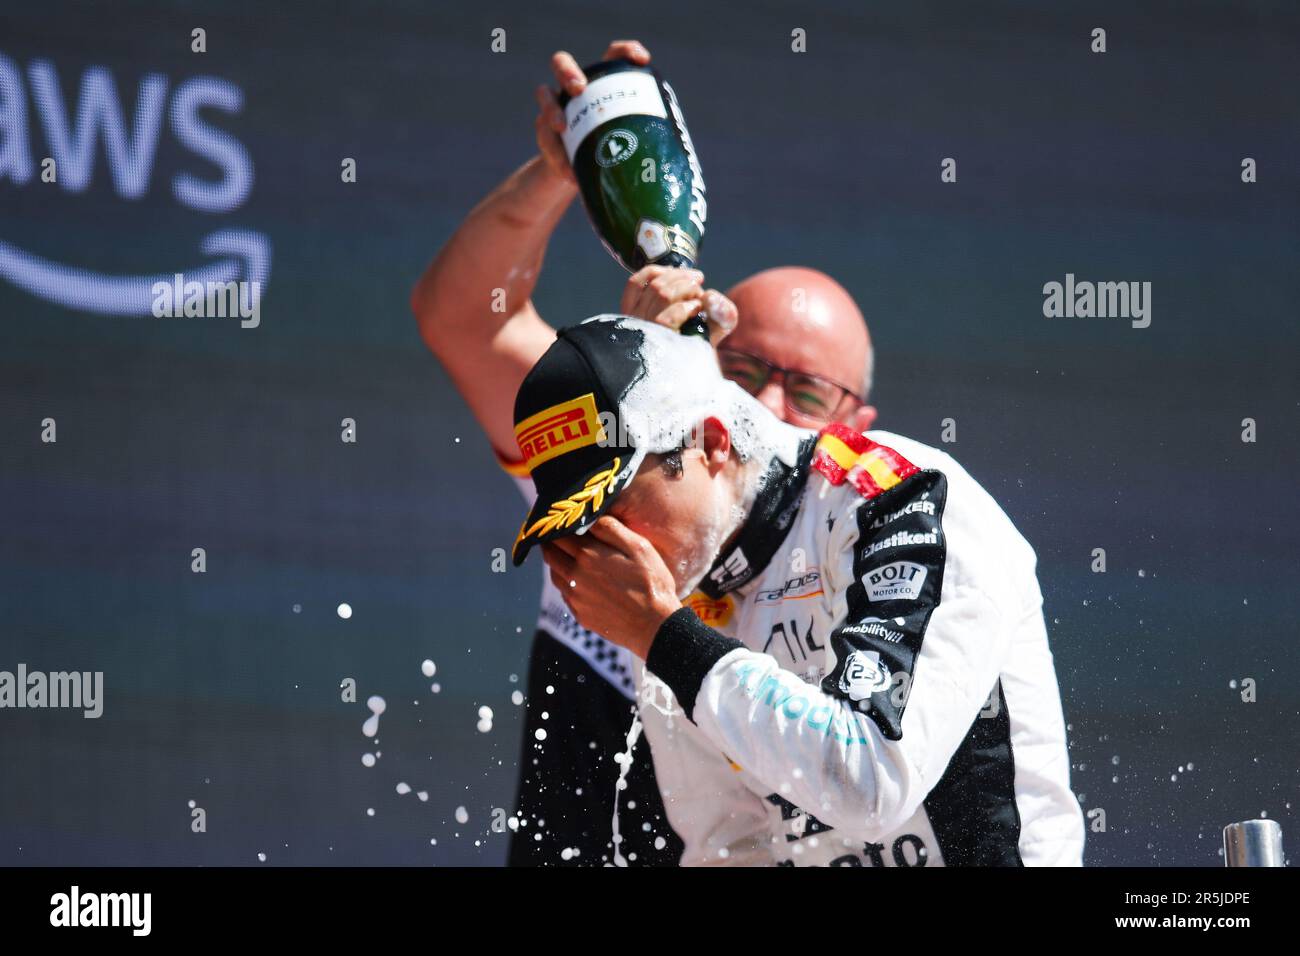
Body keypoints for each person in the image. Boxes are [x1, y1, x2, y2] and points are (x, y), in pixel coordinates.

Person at [410, 39, 877, 865]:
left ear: (860, 426)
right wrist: (560, 174)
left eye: (806, 392)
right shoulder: (609, 467)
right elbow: (462, 318)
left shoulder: (869, 545)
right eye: (741, 369)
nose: (766, 405)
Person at [517, 314, 1086, 866]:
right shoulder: (675, 599)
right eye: (577, 525)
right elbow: (730, 847)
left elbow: (871, 784)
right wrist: (667, 635)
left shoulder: (898, 496)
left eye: (613, 504)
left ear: (710, 442)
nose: (606, 545)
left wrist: (667, 638)